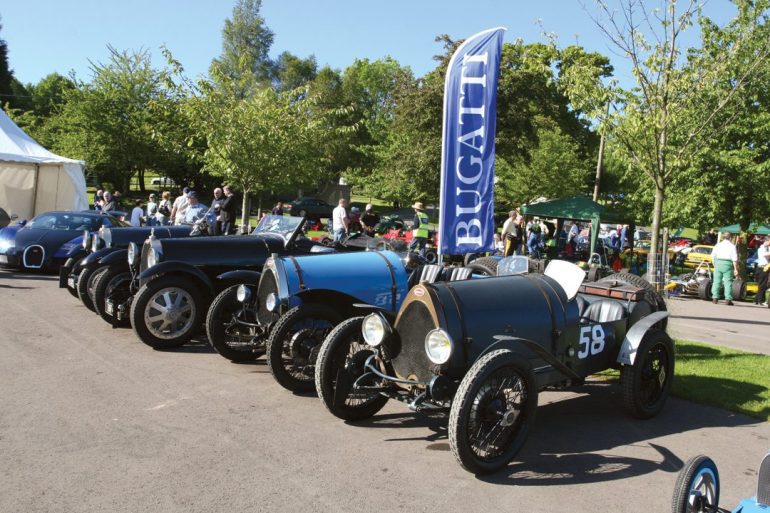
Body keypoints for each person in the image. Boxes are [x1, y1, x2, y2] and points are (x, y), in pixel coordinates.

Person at [710, 232, 740, 305]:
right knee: (728, 282)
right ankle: (728, 299)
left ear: (723, 237)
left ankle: (715, 298)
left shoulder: (718, 245)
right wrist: (736, 269)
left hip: (718, 263)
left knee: (716, 281)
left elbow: (712, 256)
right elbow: (734, 259)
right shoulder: (732, 246)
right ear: (730, 238)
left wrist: (715, 264)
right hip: (728, 264)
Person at [754, 236, 770, 307]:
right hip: (762, 268)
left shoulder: (768, 248)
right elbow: (765, 254)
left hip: (766, 268)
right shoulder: (761, 248)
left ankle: (756, 300)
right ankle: (759, 300)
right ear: (766, 241)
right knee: (762, 285)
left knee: (763, 285)